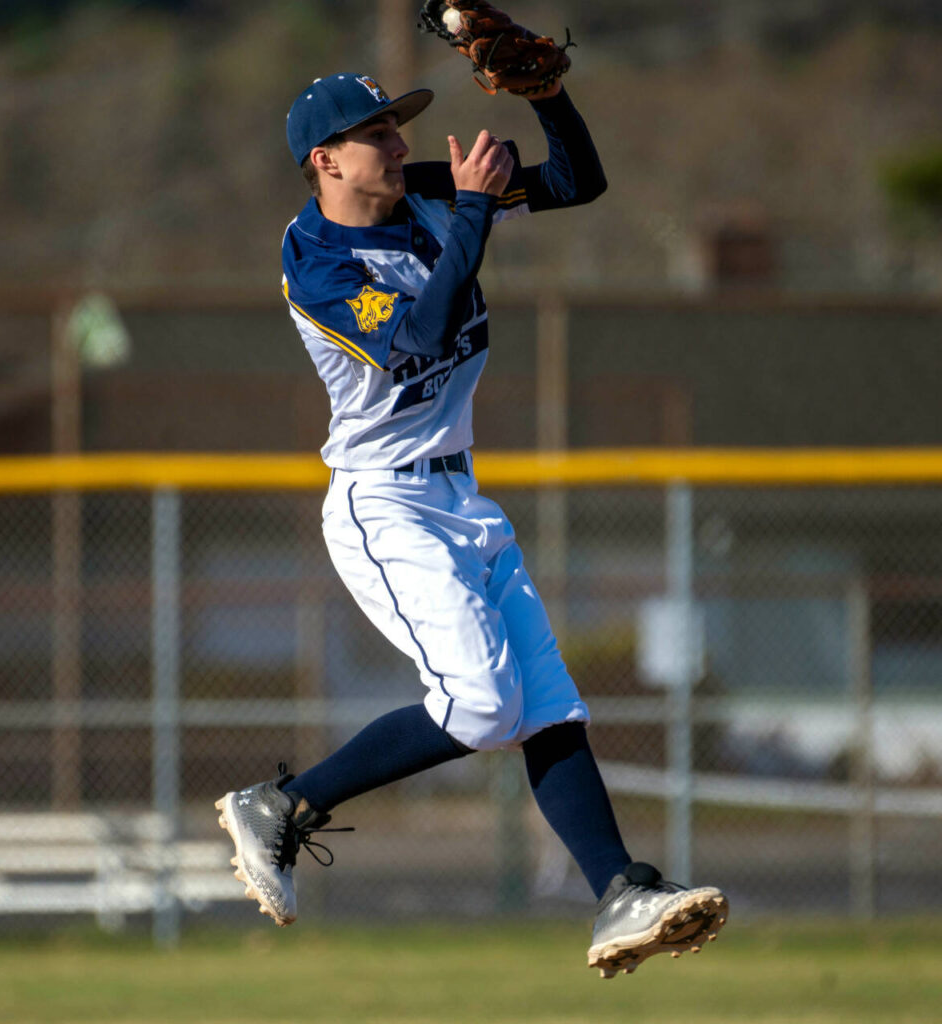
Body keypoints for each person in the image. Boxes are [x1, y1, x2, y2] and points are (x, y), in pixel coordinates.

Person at [216, 70, 728, 977]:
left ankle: (619, 892)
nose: (399, 143)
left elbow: (576, 181)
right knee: (483, 705)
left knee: (548, 707)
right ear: (325, 160)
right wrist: (478, 212)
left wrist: (548, 93)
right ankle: (282, 804)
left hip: (462, 495)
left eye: (398, 125)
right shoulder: (316, 260)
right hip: (385, 504)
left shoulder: (424, 196)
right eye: (377, 132)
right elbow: (418, 334)